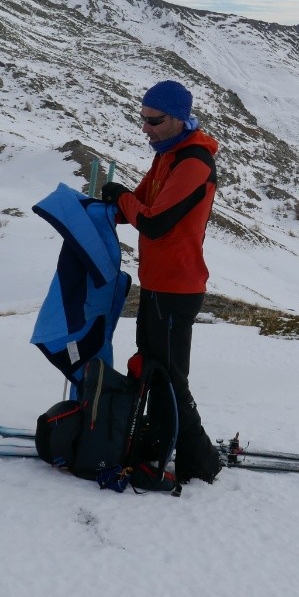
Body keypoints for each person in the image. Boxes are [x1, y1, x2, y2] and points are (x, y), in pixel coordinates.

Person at [100, 80, 223, 486]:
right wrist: (112, 206)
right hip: (157, 283)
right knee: (152, 369)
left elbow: (154, 221)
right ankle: (157, 440)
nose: (145, 128)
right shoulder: (166, 156)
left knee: (170, 378)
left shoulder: (193, 163)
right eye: (143, 120)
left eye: (153, 121)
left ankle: (200, 460)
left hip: (177, 288)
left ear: (177, 118)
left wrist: (122, 201)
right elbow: (140, 204)